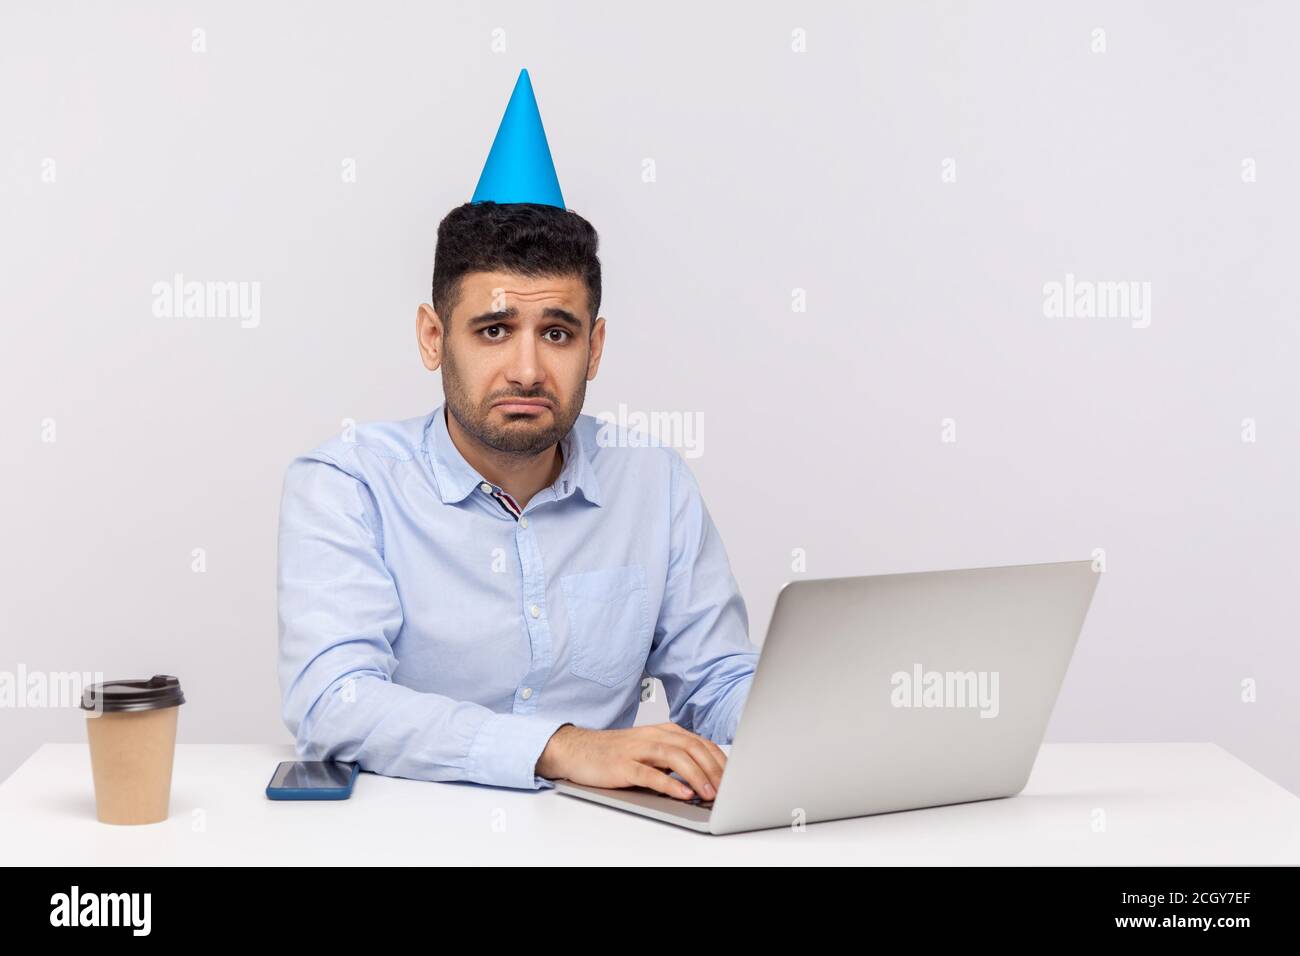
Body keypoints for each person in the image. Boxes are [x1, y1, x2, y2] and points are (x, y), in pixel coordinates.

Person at [277, 69, 758, 802]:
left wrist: (809, 732)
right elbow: (332, 701)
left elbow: (718, 681)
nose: (528, 369)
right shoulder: (347, 484)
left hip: (607, 844)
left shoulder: (652, 482)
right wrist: (560, 749)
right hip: (409, 842)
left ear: (594, 347)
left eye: (557, 332)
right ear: (433, 337)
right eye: (495, 330)